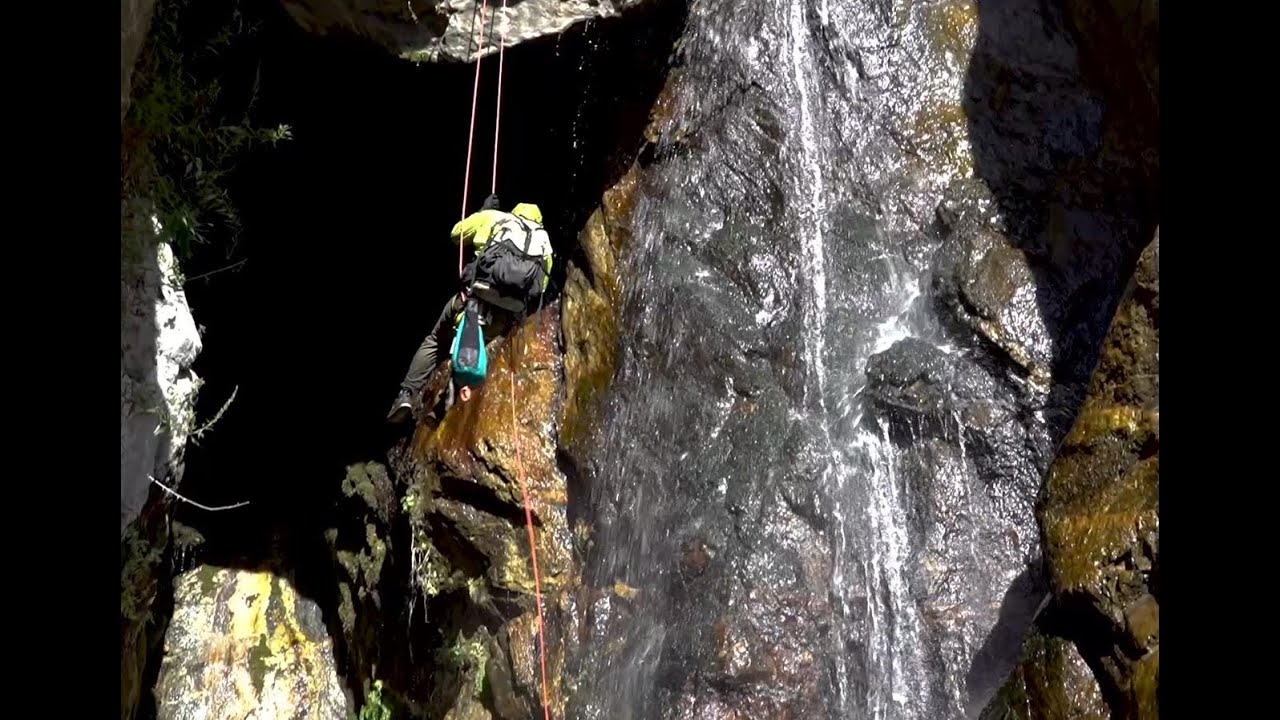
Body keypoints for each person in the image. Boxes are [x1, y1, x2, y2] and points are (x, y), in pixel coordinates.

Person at [387, 196, 553, 423]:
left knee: (435, 340)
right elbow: (540, 288)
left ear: (515, 212)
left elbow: (457, 233)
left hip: (472, 300)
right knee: (474, 349)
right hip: (502, 316)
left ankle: (406, 395)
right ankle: (443, 406)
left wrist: (483, 212)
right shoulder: (545, 245)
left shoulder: (497, 218)